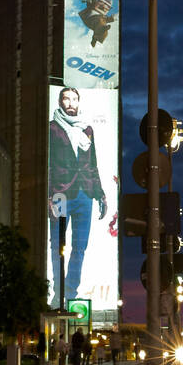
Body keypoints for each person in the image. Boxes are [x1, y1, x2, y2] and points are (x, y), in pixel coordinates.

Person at [48, 87, 107, 306]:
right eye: (66, 98)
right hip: (60, 194)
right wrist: (48, 195)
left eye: (74, 99)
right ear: (60, 101)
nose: (71, 103)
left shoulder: (87, 129)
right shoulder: (52, 128)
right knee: (57, 245)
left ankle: (70, 292)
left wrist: (100, 194)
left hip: (85, 194)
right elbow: (48, 163)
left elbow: (93, 163)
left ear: (78, 102)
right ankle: (58, 292)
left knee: (80, 246)